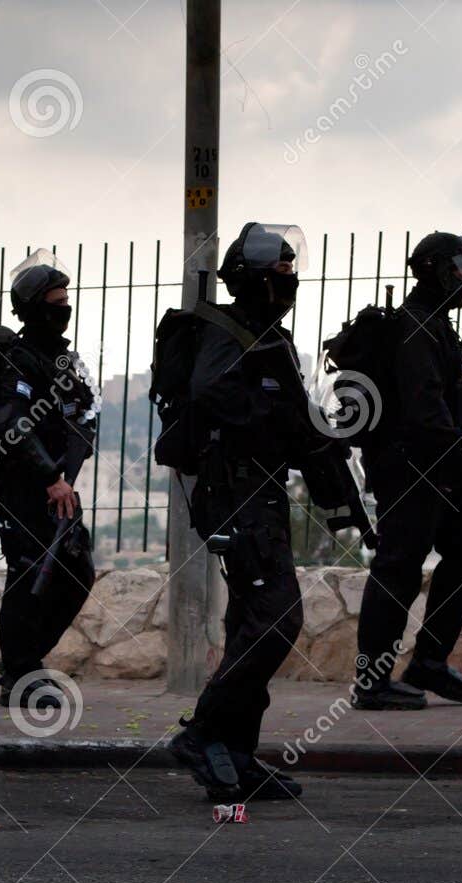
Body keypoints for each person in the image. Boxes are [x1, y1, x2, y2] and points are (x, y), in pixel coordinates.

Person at [165, 222, 336, 804]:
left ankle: (235, 755)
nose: (291, 280)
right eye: (282, 270)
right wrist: (275, 420)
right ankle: (205, 733)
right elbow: (214, 393)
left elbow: (295, 416)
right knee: (277, 616)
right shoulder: (226, 330)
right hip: (233, 492)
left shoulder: (268, 337)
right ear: (257, 278)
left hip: (258, 492)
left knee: (249, 622)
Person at [348, 231, 462, 710]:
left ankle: (429, 660)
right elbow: (425, 415)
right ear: (435, 269)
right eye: (458, 267)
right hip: (410, 468)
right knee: (398, 569)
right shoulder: (413, 329)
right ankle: (372, 682)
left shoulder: (435, 325)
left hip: (437, 467)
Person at [0, 250, 98, 710]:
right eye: (55, 301)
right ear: (32, 308)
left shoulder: (56, 358)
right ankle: (20, 673)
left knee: (75, 572)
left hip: (55, 486)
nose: (64, 308)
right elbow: (12, 424)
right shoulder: (18, 361)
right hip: (26, 488)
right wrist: (49, 477)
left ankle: (23, 663)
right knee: (27, 577)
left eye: (67, 300)